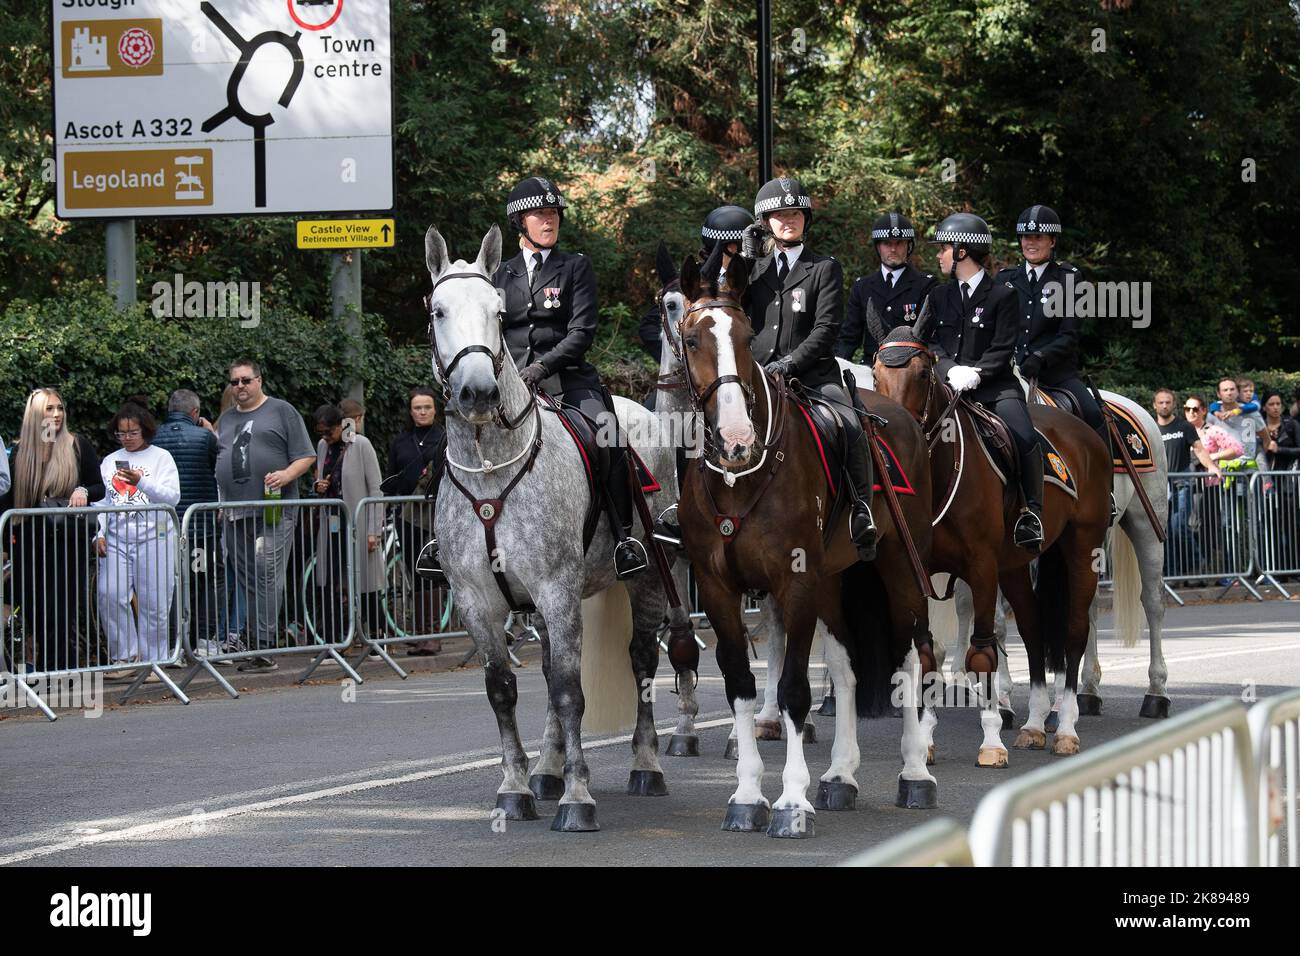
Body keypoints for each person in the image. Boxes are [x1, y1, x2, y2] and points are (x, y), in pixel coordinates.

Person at [490, 174, 648, 578]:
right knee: (456, 432)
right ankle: (441, 542)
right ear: (519, 223)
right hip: (508, 385)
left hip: (568, 381)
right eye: (540, 215)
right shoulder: (499, 274)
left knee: (606, 435)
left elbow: (582, 333)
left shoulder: (575, 266)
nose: (550, 221)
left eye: (554, 214)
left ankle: (624, 538)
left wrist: (541, 367)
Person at [743, 175, 878, 559]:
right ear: (765, 222)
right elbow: (729, 309)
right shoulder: (756, 270)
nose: (789, 219)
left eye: (796, 213)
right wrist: (745, 259)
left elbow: (826, 330)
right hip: (759, 376)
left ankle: (861, 510)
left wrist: (789, 363)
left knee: (848, 423)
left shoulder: (824, 269)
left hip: (813, 376)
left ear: (806, 218)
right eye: (779, 214)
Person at [925, 212, 1044, 551]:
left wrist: (977, 372)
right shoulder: (937, 296)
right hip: (947, 388)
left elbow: (1004, 346)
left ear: (962, 251)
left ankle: (1030, 513)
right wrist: (948, 368)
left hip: (994, 388)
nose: (939, 255)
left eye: (944, 248)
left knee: (1022, 436)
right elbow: (927, 342)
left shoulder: (1002, 296)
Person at [214, 359, 316, 672]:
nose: (240, 387)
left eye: (246, 380)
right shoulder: (226, 419)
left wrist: (286, 475)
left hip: (274, 509)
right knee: (247, 577)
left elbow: (307, 455)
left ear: (260, 380)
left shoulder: (282, 410)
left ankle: (265, 644)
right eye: (235, 382)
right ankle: (254, 640)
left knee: (267, 570)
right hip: (234, 511)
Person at [1, 388, 105, 671]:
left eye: (59, 408)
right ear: (35, 414)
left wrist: (82, 489)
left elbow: (98, 487)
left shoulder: (77, 445)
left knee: (61, 610)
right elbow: (7, 501)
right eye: (49, 409)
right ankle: (45, 667)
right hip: (28, 542)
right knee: (32, 608)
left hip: (67, 543)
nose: (56, 414)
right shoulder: (21, 451)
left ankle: (59, 670)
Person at [94, 403, 181, 678]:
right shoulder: (109, 460)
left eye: (132, 432)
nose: (127, 438)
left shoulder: (161, 457)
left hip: (155, 537)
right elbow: (106, 502)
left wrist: (140, 481)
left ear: (145, 429)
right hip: (118, 537)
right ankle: (125, 656)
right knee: (109, 594)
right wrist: (99, 532)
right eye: (121, 433)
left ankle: (155, 660)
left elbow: (172, 497)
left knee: (154, 601)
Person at [151, 389, 221, 654]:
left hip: (163, 528)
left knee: (167, 584)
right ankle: (200, 639)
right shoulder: (205, 437)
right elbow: (219, 466)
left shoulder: (153, 437)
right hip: (199, 528)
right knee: (200, 580)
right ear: (195, 413)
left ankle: (171, 645)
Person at [638, 205, 755, 361]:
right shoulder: (694, 280)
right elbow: (650, 327)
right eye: (745, 246)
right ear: (731, 247)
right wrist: (682, 359)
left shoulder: (759, 274)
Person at [311, 405, 384, 649]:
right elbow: (322, 479)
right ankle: (334, 641)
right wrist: (317, 487)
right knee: (330, 582)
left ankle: (376, 637)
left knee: (365, 582)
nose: (325, 436)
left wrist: (374, 529)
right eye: (320, 432)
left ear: (341, 424)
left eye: (328, 431)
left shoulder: (361, 444)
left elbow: (376, 488)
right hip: (331, 523)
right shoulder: (323, 447)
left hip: (358, 523)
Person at [384, 387, 446, 655]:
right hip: (406, 515)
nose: (422, 412)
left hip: (437, 514)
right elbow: (391, 477)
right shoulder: (401, 441)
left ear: (435, 410)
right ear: (411, 411)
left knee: (431, 571)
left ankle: (433, 634)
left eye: (427, 407)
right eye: (417, 408)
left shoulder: (444, 437)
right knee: (413, 571)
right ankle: (421, 634)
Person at [834, 211, 936, 363]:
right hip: (871, 369)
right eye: (887, 243)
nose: (893, 249)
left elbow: (928, 336)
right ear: (878, 247)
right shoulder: (862, 287)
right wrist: (837, 366)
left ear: (909, 246)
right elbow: (849, 337)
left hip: (907, 370)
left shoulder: (926, 285)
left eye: (899, 243)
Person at [1154, 389, 1220, 576]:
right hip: (1160, 486)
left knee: (1179, 526)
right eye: (1161, 402)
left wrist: (1211, 466)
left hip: (1182, 482)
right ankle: (1174, 573)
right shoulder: (1152, 429)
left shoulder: (1184, 426)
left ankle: (1199, 563)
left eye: (1168, 402)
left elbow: (1199, 450)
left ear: (1174, 404)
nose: (1164, 405)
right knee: (1165, 530)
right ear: (1154, 405)